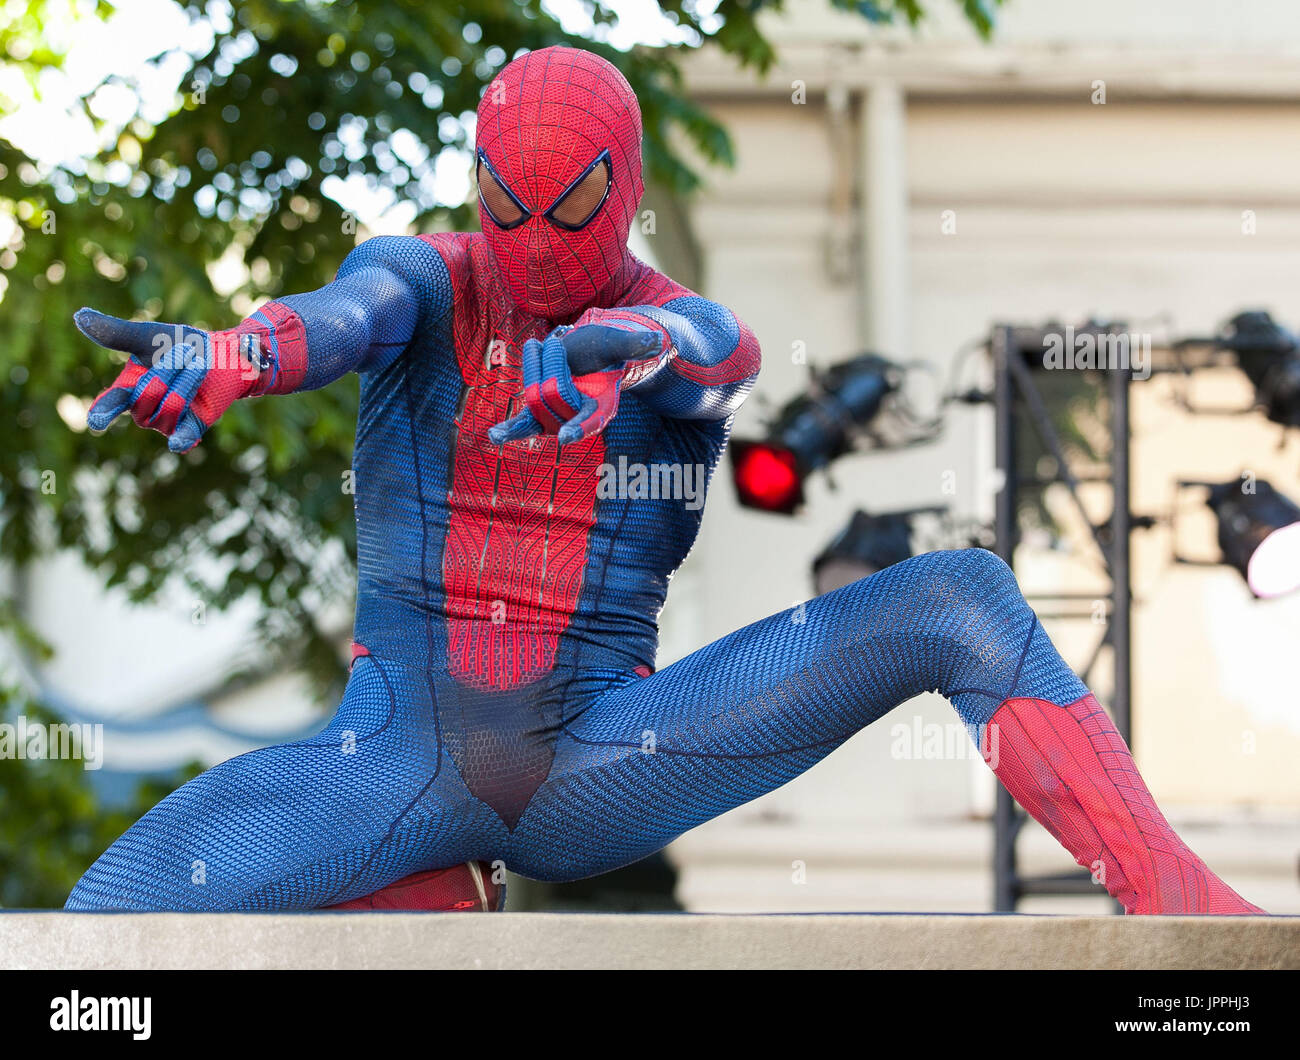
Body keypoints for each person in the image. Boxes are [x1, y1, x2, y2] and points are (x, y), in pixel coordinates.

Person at [65, 45, 1262, 916]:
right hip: (386, 759)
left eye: (568, 210)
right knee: (96, 947)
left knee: (960, 597)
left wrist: (627, 360)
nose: (533, 245)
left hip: (603, 757)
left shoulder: (679, 326)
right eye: (506, 205)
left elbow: (712, 358)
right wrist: (233, 352)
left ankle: (1180, 907)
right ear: (474, 182)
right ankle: (423, 889)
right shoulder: (421, 278)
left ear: (622, 194)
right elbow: (340, 317)